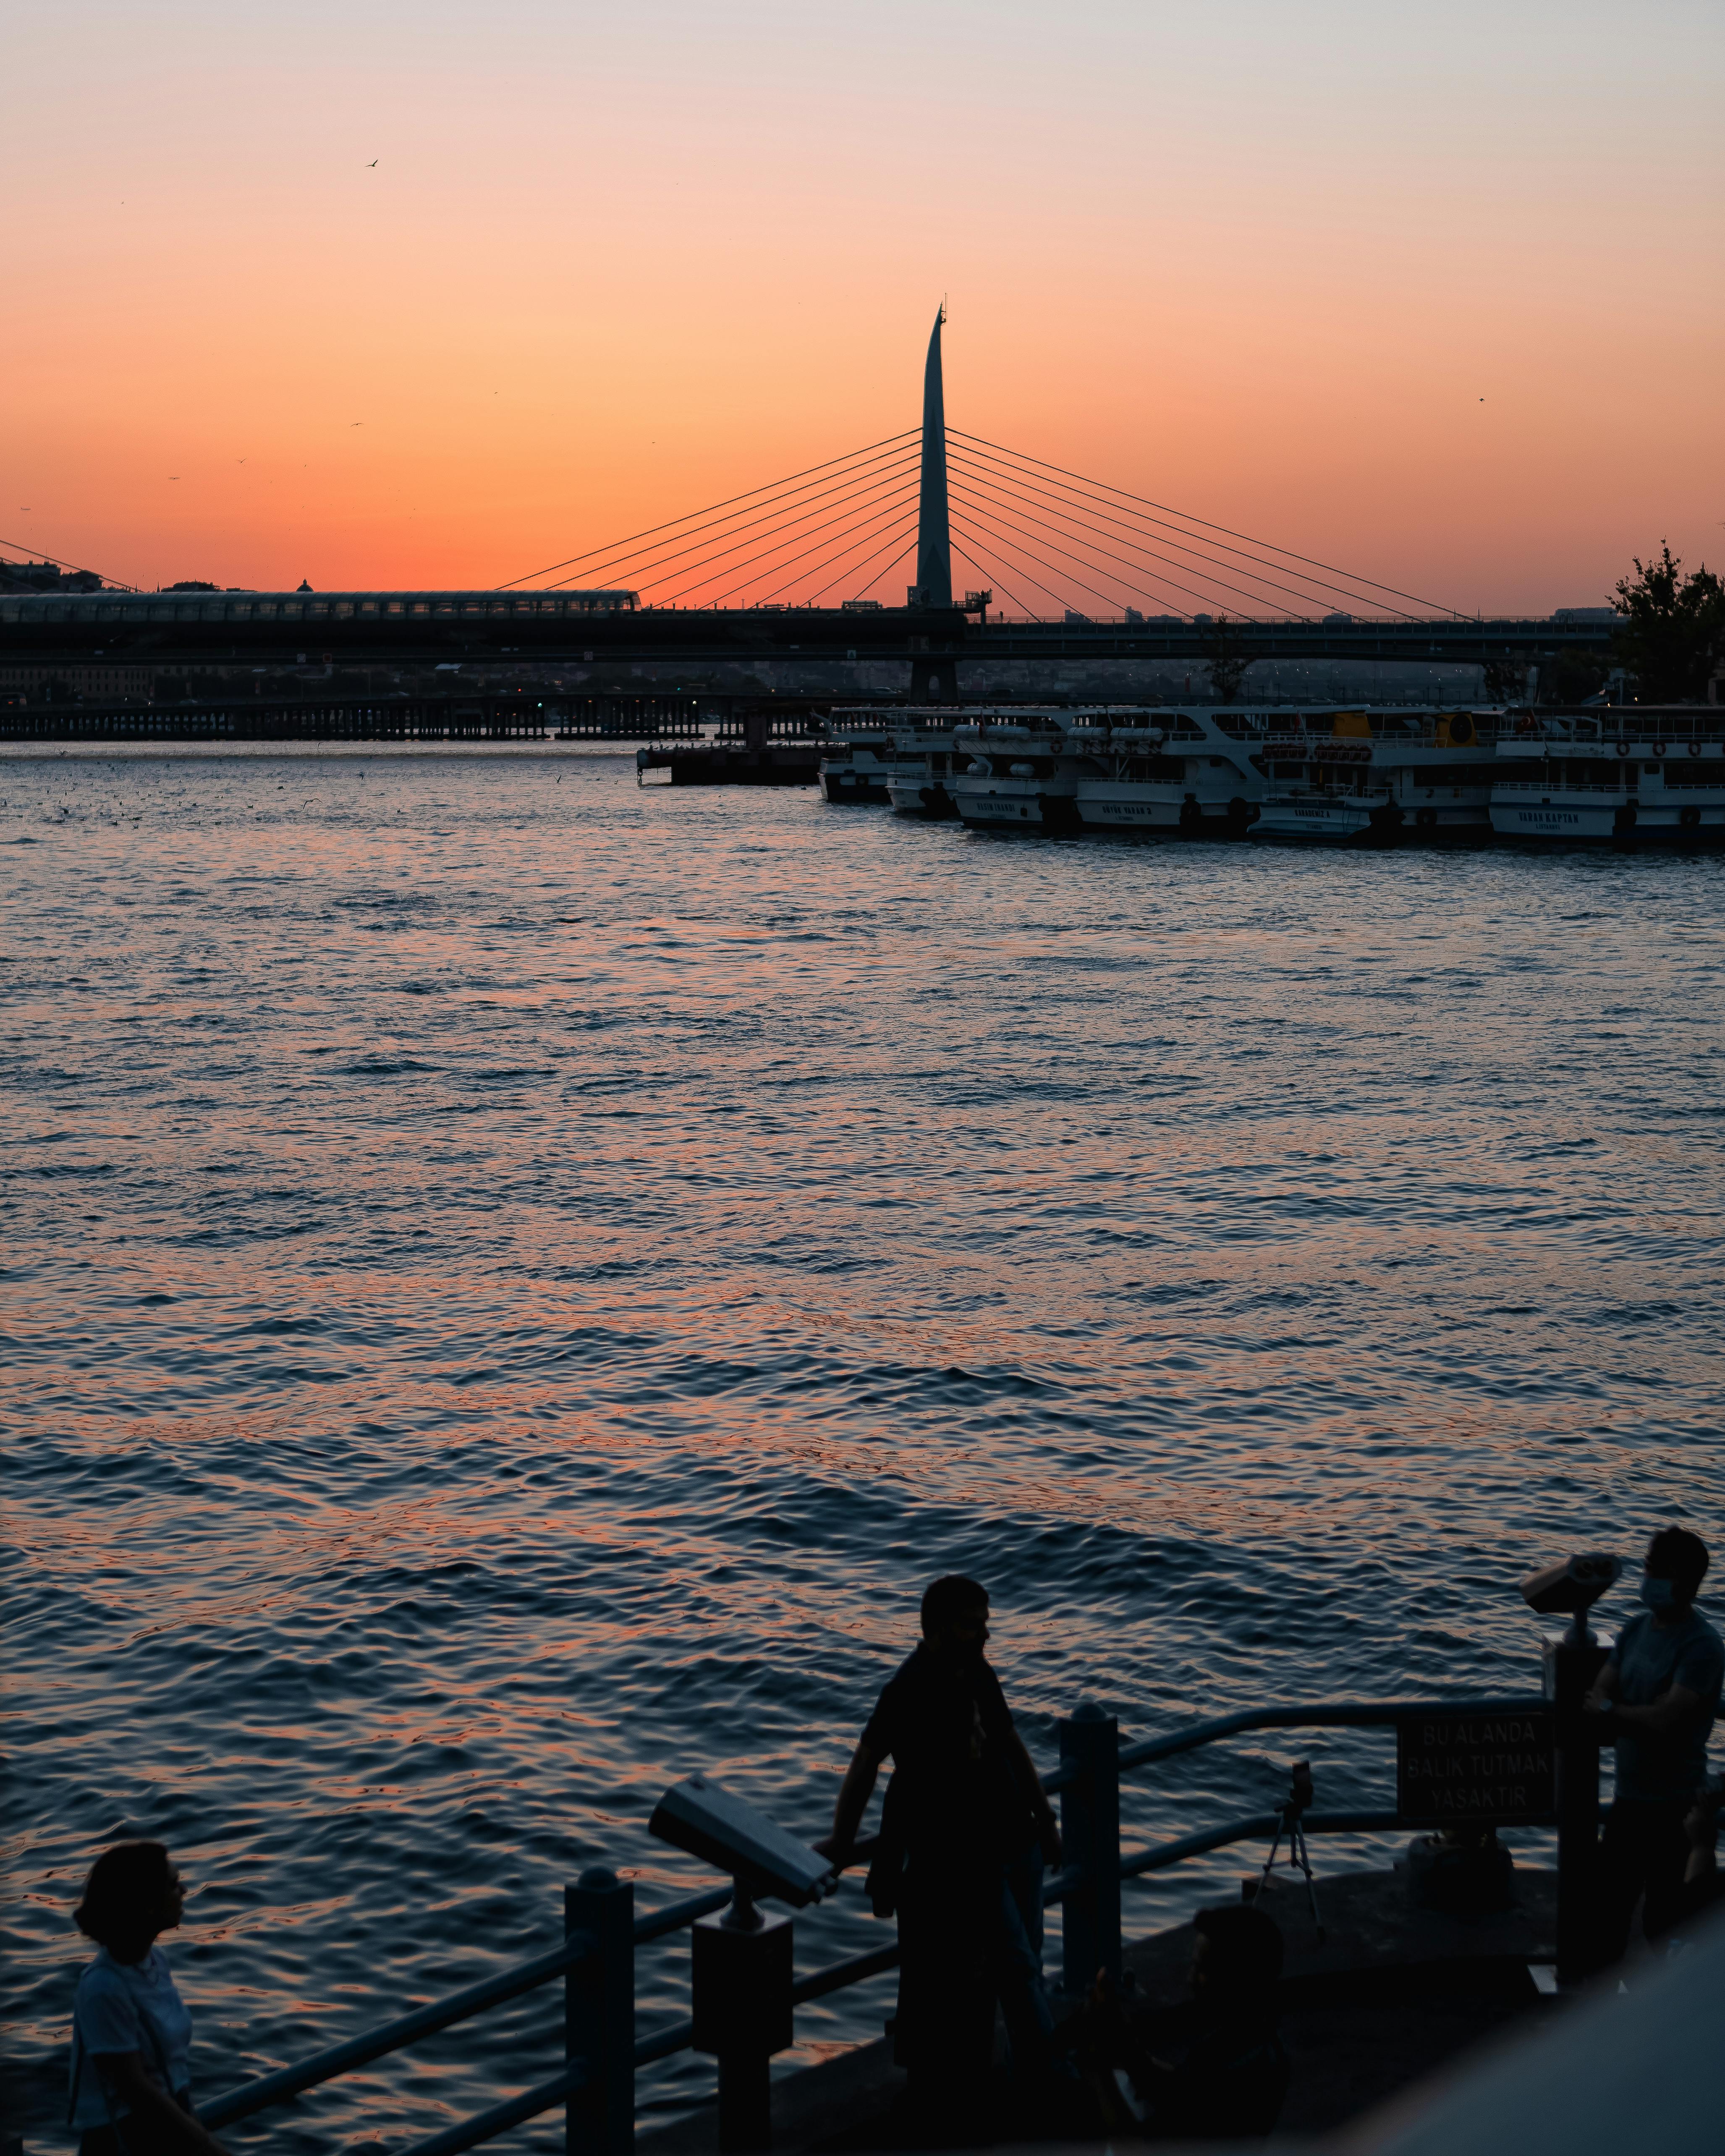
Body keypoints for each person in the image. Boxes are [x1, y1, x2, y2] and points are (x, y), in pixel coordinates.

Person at [821, 1576, 1064, 2110]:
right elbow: (865, 1762)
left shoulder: (979, 1672)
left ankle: (1029, 2075)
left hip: (1015, 1838)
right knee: (1017, 1967)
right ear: (935, 1629)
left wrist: (1044, 1820)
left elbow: (1010, 1743)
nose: (984, 1636)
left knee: (1027, 1960)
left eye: (984, 1624)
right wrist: (843, 1837)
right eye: (970, 1625)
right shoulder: (906, 1690)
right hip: (972, 1856)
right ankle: (1047, 2076)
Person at [1583, 1525, 1723, 1965]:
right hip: (1628, 1801)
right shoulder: (1634, 1629)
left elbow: (1668, 1719)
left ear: (1685, 1581)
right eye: (1647, 1567)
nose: (1647, 1577)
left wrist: (1611, 1711)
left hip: (1674, 1808)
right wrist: (1618, 1709)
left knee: (1665, 1927)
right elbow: (1601, 1686)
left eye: (1658, 1570)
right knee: (1605, 1916)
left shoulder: (1701, 1646)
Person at [67, 1842, 230, 2156]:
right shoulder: (104, 1988)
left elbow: (168, 2071)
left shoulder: (156, 1961)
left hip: (170, 2121)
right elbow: (134, 2089)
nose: (184, 1890)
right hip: (129, 2140)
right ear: (147, 1906)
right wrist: (206, 2145)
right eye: (173, 1884)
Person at [1076, 1904, 1289, 2143]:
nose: (1190, 1979)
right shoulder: (1256, 2041)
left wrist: (1098, 2067)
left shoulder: (1230, 2075)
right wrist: (1127, 2046)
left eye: (1203, 1970)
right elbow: (1183, 2091)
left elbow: (1134, 2145)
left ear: (1238, 1979)